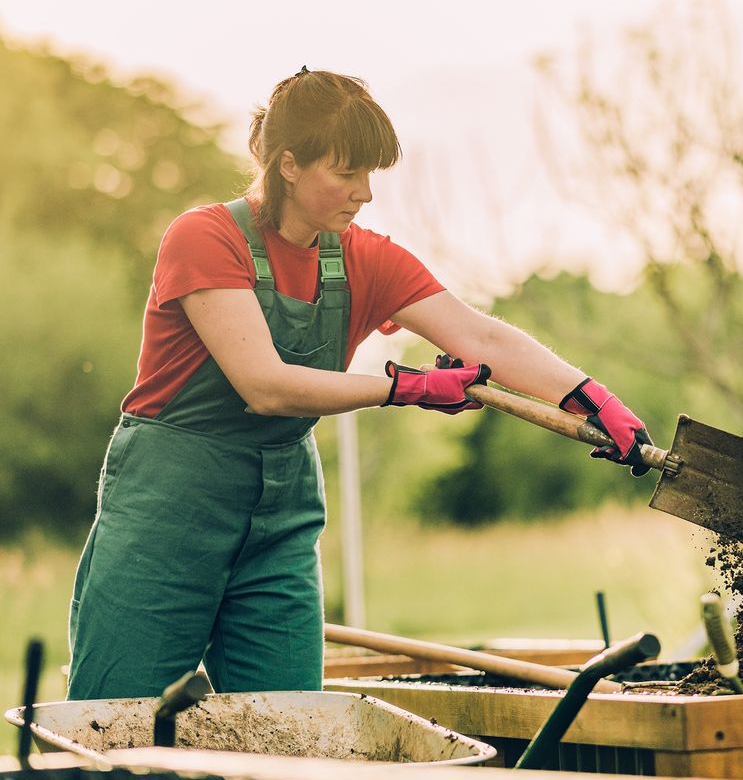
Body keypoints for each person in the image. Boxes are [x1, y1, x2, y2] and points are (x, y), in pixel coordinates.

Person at [67, 68, 653, 701]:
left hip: (281, 509)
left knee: (286, 726)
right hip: (171, 501)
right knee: (118, 719)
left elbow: (481, 339)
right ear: (288, 165)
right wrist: (401, 387)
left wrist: (590, 396)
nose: (365, 193)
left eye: (370, 174)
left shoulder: (364, 257)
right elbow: (264, 386)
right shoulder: (205, 238)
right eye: (347, 173)